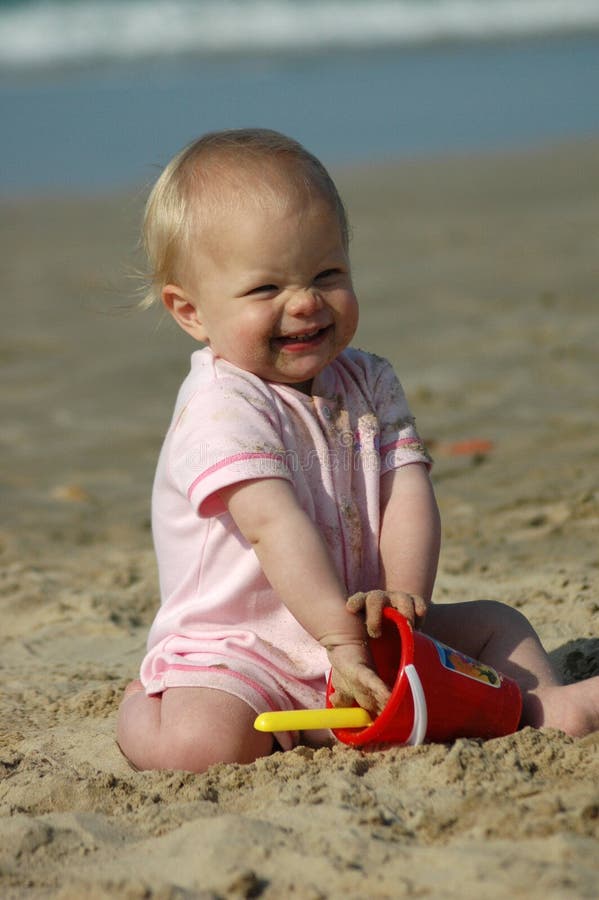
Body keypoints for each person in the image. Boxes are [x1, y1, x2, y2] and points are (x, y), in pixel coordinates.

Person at [117, 128, 599, 773]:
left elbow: (407, 489)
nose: (306, 302)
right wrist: (338, 641)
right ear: (191, 312)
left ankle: (536, 706)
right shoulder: (221, 405)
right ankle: (144, 706)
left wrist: (403, 604)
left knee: (496, 625)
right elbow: (271, 526)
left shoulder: (368, 380)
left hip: (365, 632)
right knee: (200, 746)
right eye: (266, 290)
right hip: (246, 650)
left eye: (327, 273)